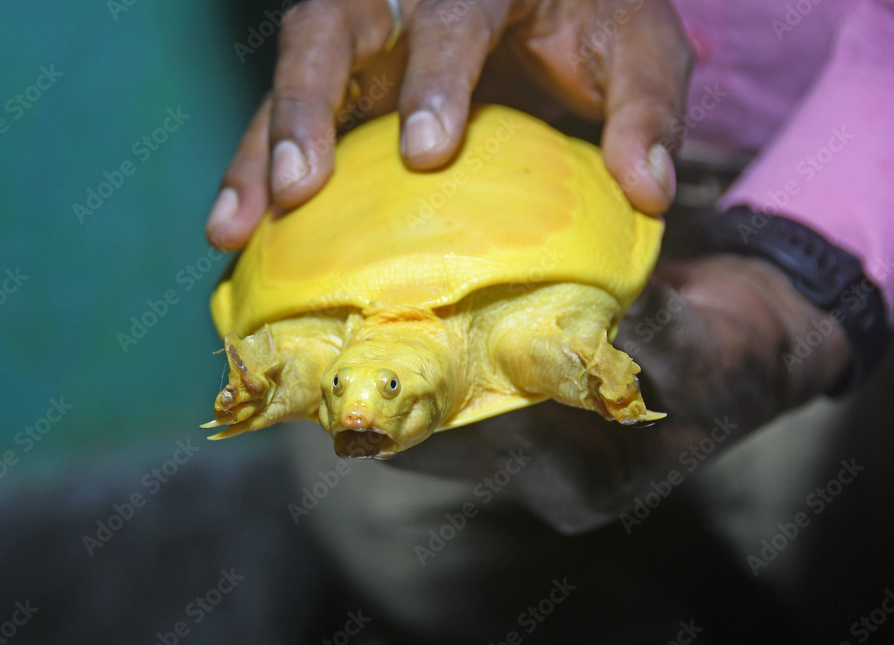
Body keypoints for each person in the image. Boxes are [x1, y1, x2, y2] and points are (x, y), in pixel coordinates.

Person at [205, 0, 894, 640]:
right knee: (392, 542)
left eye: (374, 389)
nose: (356, 409)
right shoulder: (333, 357)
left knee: (829, 544)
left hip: (816, 166)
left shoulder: (518, 327)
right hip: (499, 104)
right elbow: (273, 349)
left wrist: (806, 272)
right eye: (340, 389)